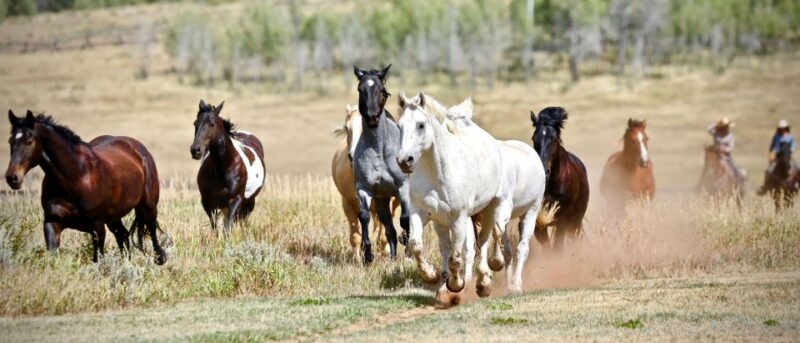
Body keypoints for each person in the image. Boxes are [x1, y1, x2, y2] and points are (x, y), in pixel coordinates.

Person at [758, 119, 796, 194]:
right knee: (768, 170)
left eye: (784, 128)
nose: (782, 129)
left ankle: (796, 186)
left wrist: (790, 152)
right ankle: (765, 187)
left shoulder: (790, 137)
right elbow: (771, 148)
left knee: (797, 169)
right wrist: (771, 157)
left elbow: (793, 146)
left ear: (786, 128)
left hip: (788, 157)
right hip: (778, 158)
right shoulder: (776, 137)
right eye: (781, 128)